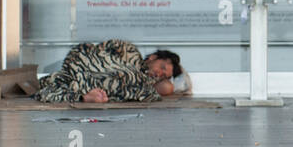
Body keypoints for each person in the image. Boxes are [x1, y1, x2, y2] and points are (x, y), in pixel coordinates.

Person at [36, 40, 186, 102]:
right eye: (162, 67)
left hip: (112, 85)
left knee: (126, 81)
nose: (160, 74)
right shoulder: (130, 52)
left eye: (164, 75)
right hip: (88, 62)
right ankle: (86, 92)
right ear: (153, 57)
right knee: (124, 75)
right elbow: (100, 53)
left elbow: (164, 88)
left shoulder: (146, 83)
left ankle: (85, 95)